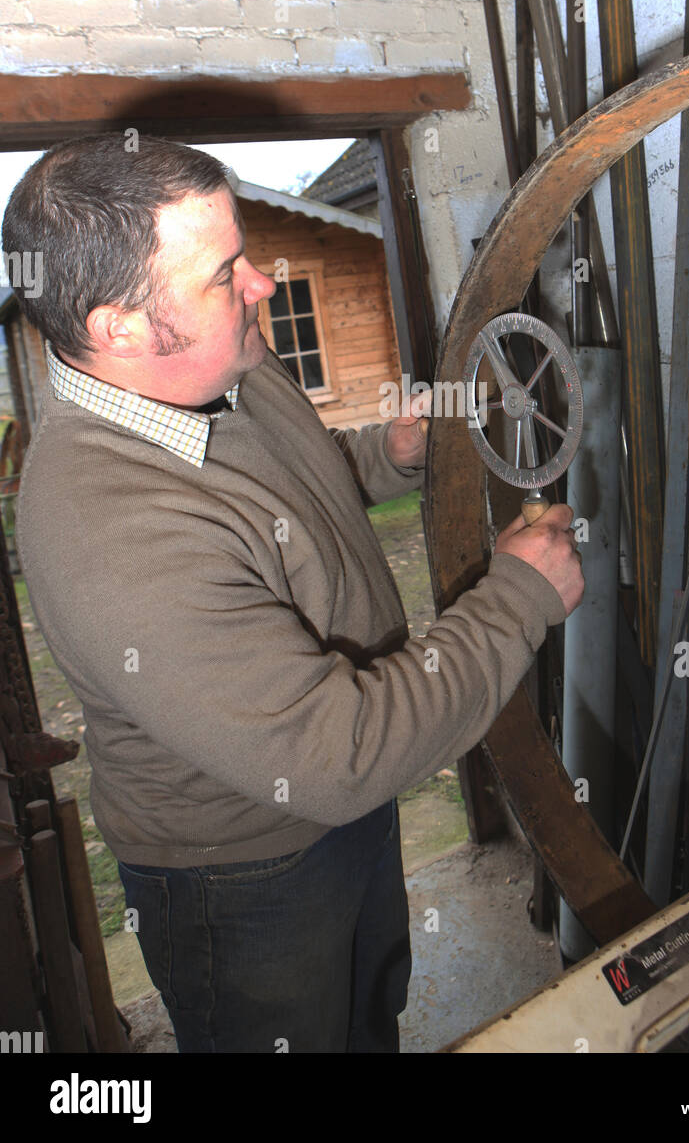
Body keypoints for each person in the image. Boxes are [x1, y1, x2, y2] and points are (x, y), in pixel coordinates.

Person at [3, 134, 584, 1054]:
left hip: (343, 814)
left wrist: (379, 459)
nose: (262, 284)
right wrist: (517, 598)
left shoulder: (222, 361)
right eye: (226, 270)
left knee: (367, 1016)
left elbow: (278, 506)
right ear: (121, 327)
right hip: (245, 876)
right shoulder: (104, 523)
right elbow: (338, 750)